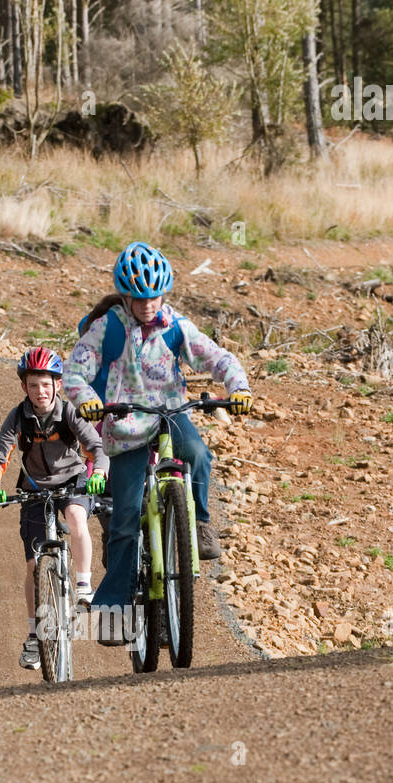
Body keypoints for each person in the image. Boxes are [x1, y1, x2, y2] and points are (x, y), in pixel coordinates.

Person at [62, 241, 252, 643]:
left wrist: (238, 385)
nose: (148, 305)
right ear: (125, 296)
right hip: (126, 424)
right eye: (138, 297)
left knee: (198, 454)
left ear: (163, 294)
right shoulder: (108, 327)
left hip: (169, 413)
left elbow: (215, 357)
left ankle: (198, 526)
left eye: (154, 297)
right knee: (127, 519)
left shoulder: (176, 326)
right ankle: (113, 614)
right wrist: (91, 402)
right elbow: (75, 372)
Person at [0, 346, 109, 671]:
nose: (40, 391)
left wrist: (98, 474)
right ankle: (34, 636)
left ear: (57, 384)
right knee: (33, 566)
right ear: (24, 386)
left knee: (77, 516)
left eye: (46, 384)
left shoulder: (69, 412)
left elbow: (96, 447)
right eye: (33, 384)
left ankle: (83, 583)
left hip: (73, 481)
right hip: (35, 488)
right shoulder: (18, 416)